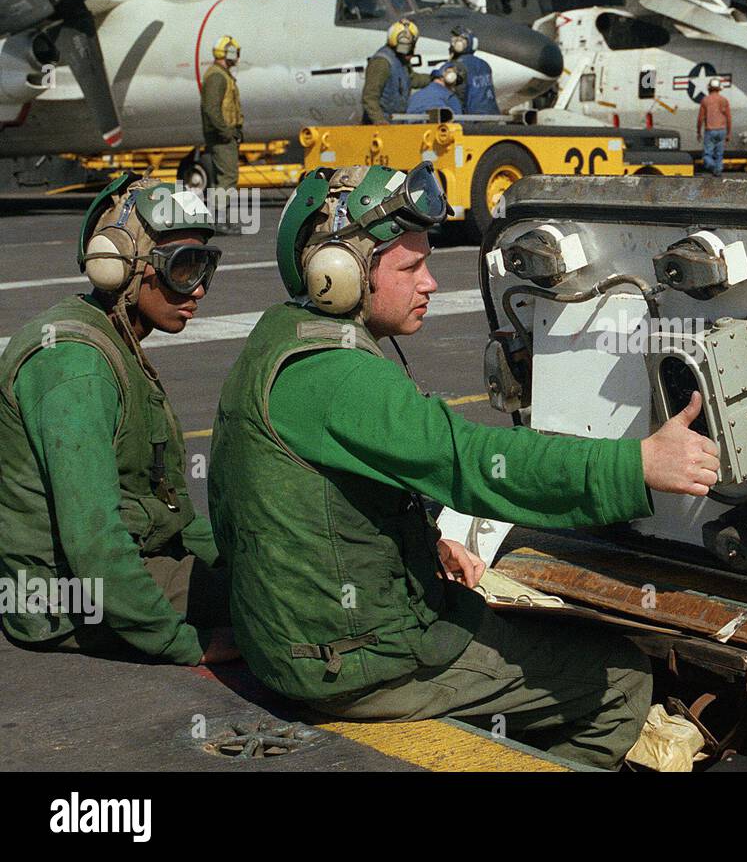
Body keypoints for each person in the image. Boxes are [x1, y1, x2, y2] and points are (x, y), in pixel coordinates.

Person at [209, 164, 719, 769]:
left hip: (297, 639)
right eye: (408, 267)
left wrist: (425, 545)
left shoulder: (282, 338)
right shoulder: (335, 374)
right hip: (356, 660)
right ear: (337, 277)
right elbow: (473, 461)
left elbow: (329, 497)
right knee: (621, 679)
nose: (429, 283)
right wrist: (634, 466)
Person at [0, 174, 237, 666]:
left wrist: (240, 553)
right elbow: (93, 544)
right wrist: (184, 644)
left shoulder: (115, 339)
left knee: (275, 573)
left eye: (205, 267)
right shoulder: (75, 365)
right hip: (60, 597)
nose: (198, 290)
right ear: (120, 267)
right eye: (183, 268)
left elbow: (168, 507)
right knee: (284, 607)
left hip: (119, 563)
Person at [361, 19, 431, 124]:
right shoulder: (382, 62)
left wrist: (433, 78)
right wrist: (380, 122)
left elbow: (410, 79)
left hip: (396, 122)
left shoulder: (400, 60)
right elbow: (370, 98)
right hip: (381, 126)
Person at [200, 35, 243, 194]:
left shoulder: (221, 74)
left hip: (224, 135)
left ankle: (219, 215)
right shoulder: (217, 76)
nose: (237, 56)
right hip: (221, 137)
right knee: (228, 178)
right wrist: (226, 132)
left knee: (224, 179)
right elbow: (211, 109)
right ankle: (220, 217)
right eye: (235, 52)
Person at [448, 27, 499, 116]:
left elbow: (459, 95)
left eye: (456, 41)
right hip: (492, 113)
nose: (452, 44)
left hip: (472, 117)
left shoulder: (457, 66)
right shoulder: (484, 64)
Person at [696, 77, 731, 176]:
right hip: (722, 130)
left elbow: (700, 118)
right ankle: (718, 170)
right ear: (719, 88)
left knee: (707, 155)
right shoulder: (724, 100)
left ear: (709, 88)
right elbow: (729, 118)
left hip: (710, 130)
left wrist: (698, 132)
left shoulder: (705, 100)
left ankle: (714, 167)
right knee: (719, 155)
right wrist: (728, 133)